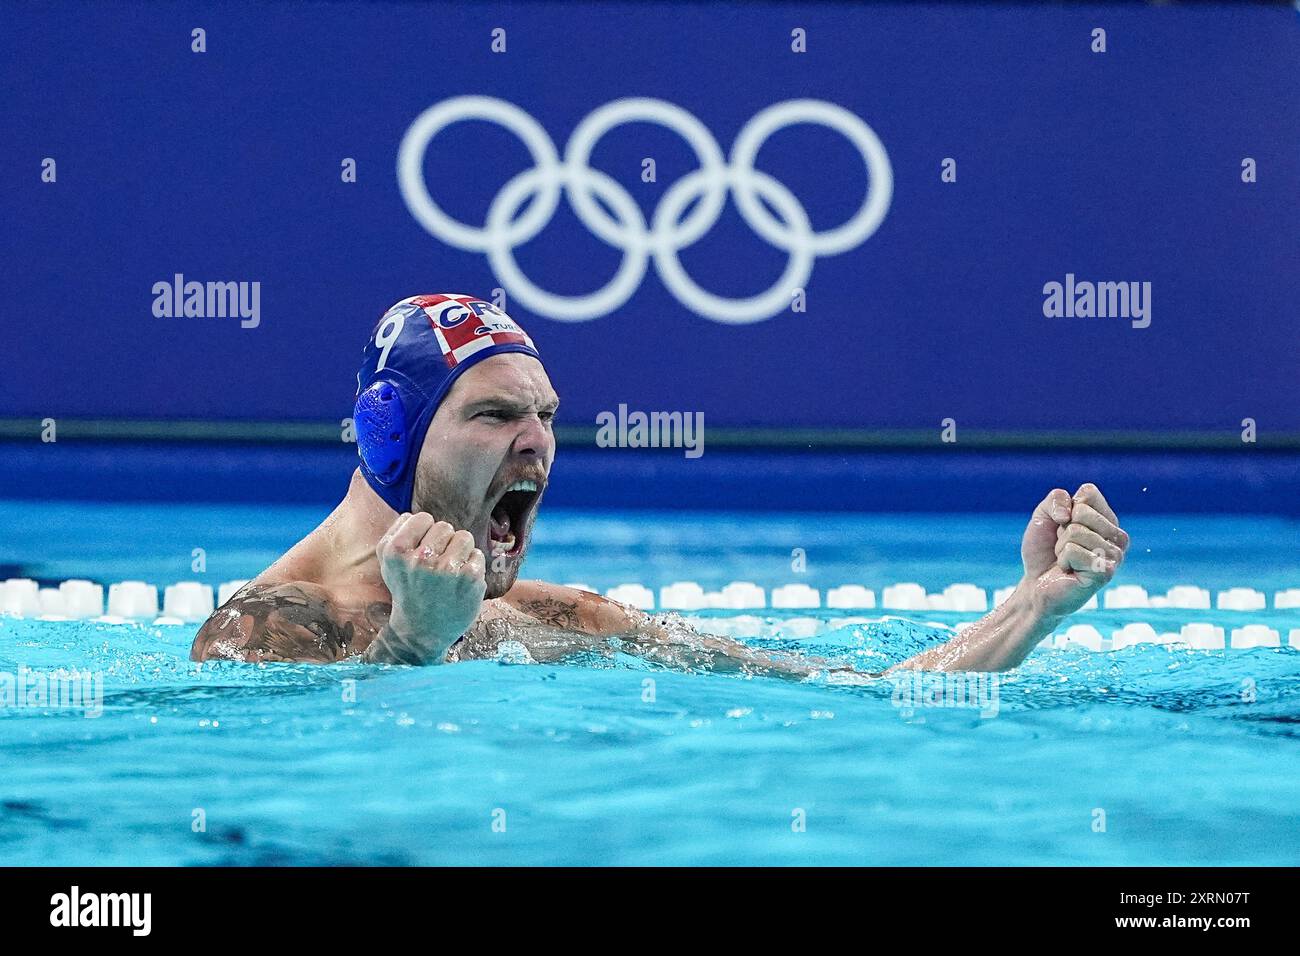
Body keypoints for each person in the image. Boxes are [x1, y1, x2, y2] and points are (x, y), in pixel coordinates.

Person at [190, 294, 1129, 677]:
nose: (536, 447)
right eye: (493, 416)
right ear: (391, 434)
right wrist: (409, 646)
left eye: (547, 418)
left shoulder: (562, 617)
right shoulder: (265, 626)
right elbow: (294, 804)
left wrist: (1032, 609)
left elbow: (859, 693)